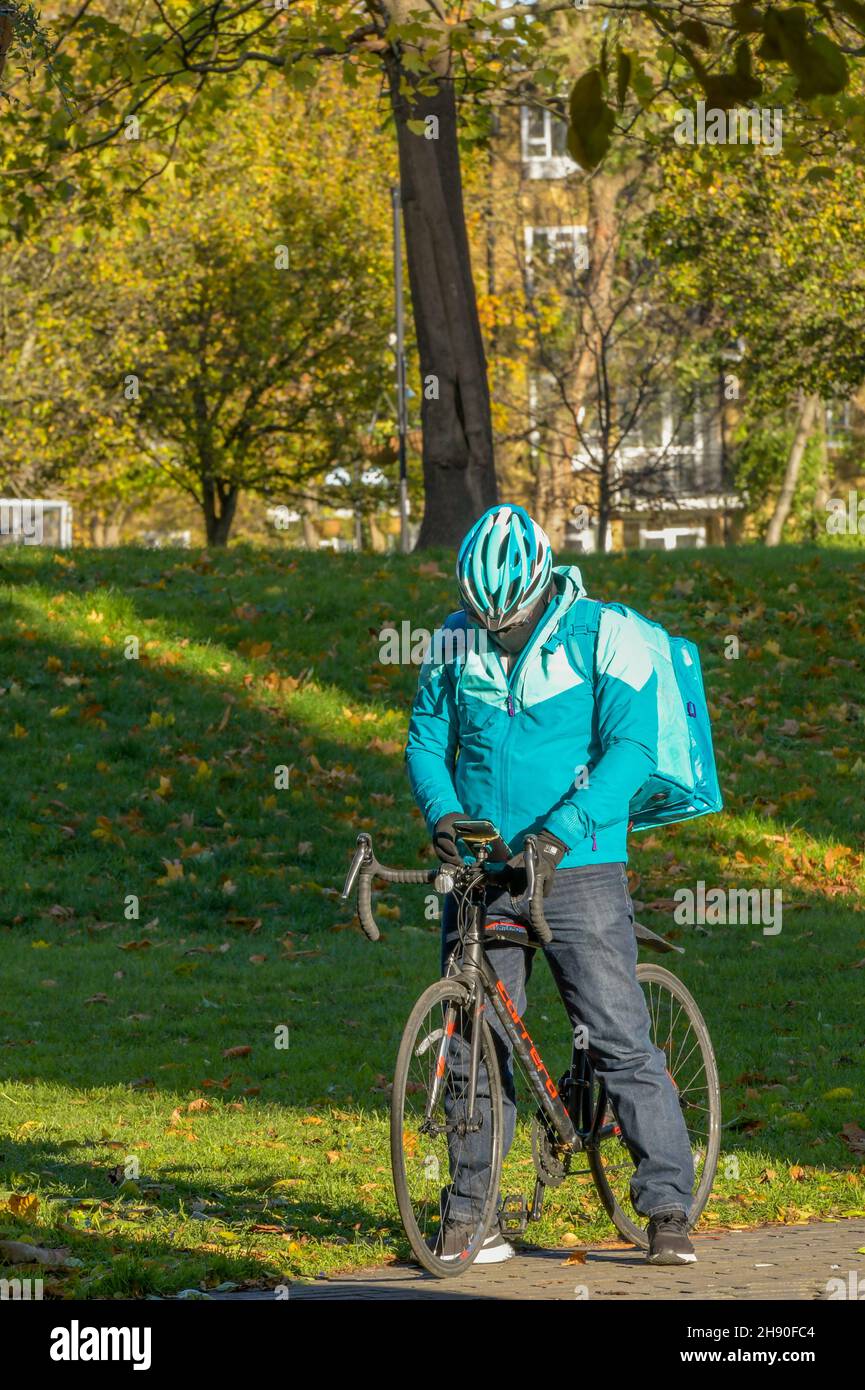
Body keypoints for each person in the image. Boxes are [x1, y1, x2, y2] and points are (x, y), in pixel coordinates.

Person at [405, 503, 696, 1267]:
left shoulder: (606, 633)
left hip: (580, 859)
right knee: (474, 1042)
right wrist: (445, 815)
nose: (496, 629)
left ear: (542, 584)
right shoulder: (453, 636)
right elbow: (426, 739)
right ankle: (472, 1216)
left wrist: (560, 831)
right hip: (482, 863)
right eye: (483, 617)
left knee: (615, 1039)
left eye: (512, 617)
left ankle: (666, 1205)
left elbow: (632, 749)